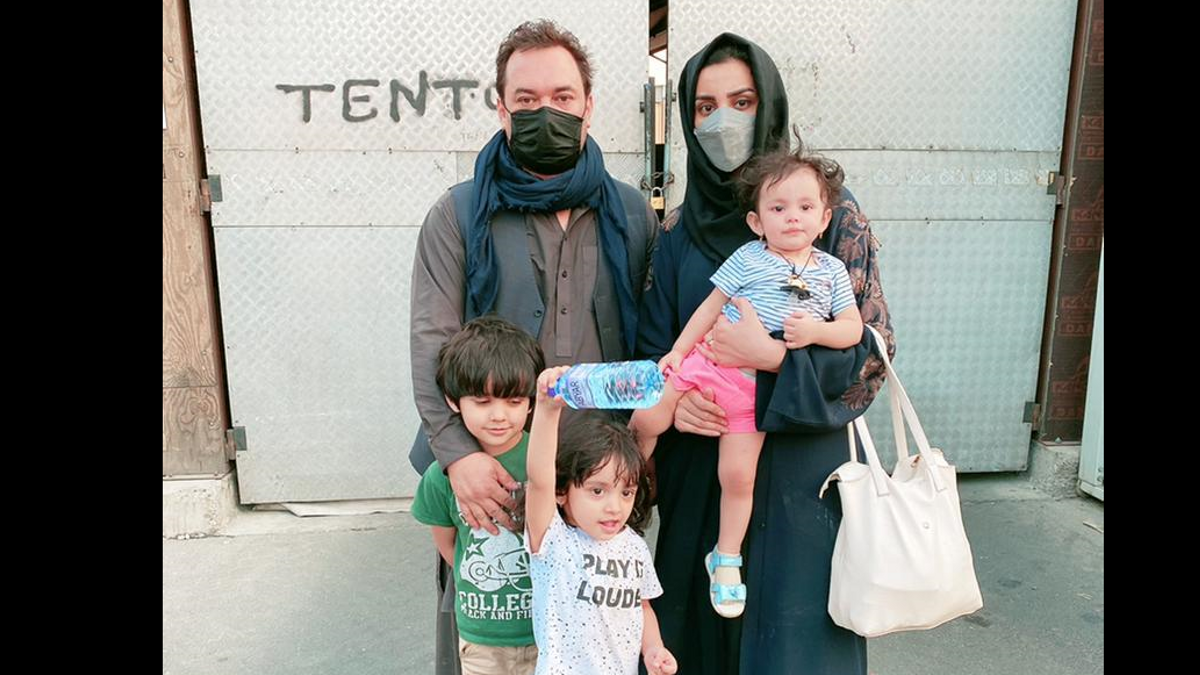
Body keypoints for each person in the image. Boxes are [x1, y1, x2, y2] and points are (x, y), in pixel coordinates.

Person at [637, 33, 896, 674]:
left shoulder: (829, 218)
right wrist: (683, 399)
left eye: (742, 100)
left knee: (792, 642)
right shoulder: (677, 229)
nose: (722, 119)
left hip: (801, 477)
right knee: (692, 643)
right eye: (704, 106)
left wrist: (775, 359)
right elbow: (653, 345)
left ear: (771, 106)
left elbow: (872, 359)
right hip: (705, 468)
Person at [406, 20, 658, 674]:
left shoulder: (630, 213)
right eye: (526, 100)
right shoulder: (459, 214)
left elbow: (652, 343)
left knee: (599, 641)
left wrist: (640, 447)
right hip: (494, 473)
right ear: (502, 107)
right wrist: (458, 456)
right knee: (491, 637)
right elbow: (433, 341)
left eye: (563, 97)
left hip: (596, 482)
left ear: (589, 105)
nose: (545, 112)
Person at [630, 139, 863, 619]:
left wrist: (815, 331)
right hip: (707, 361)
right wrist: (675, 353)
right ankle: (625, 497)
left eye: (805, 207)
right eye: (778, 208)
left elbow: (854, 330)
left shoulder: (834, 271)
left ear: (825, 218)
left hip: (751, 389)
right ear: (757, 221)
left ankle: (726, 556)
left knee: (738, 477)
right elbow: (710, 307)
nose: (792, 217)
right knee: (648, 417)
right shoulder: (747, 258)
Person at [411, 317, 545, 674]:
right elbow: (447, 541)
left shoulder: (546, 460)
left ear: (530, 403)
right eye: (482, 401)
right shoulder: (443, 476)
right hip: (481, 637)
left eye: (514, 401)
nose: (499, 416)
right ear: (454, 402)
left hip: (548, 630)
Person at [524, 367, 677, 675]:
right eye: (597, 491)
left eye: (626, 492)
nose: (614, 507)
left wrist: (654, 648)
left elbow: (642, 606)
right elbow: (539, 479)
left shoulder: (633, 546)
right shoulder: (553, 539)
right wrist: (547, 409)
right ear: (562, 491)